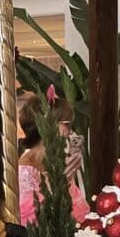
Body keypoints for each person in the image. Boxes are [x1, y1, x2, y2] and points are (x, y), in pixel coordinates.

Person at [16, 91, 87, 227]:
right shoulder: (25, 170)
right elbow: (34, 222)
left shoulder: (55, 160)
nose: (71, 132)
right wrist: (62, 180)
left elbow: (79, 212)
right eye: (66, 124)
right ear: (48, 124)